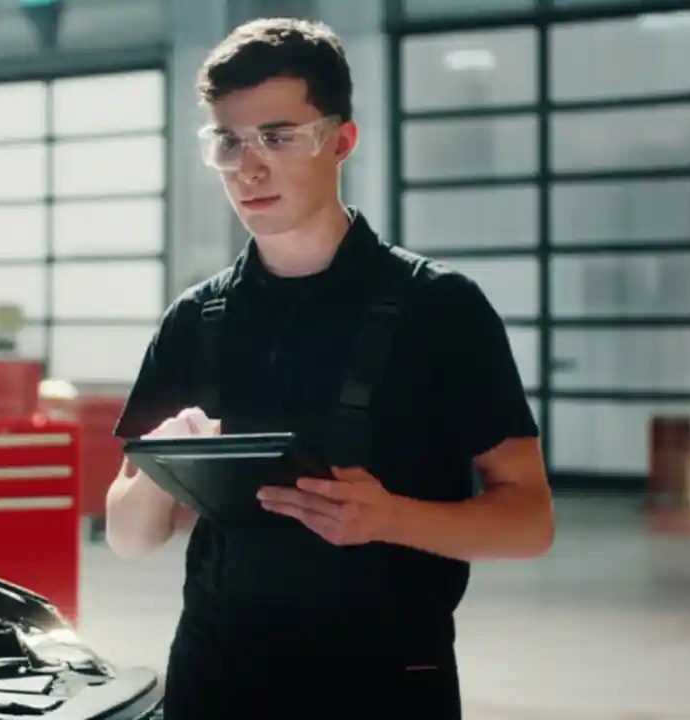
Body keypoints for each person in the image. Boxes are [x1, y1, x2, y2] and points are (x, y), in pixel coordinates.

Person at [104, 17, 554, 719]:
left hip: (386, 685)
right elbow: (129, 539)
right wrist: (161, 462)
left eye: (279, 138)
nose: (249, 168)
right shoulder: (195, 321)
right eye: (228, 142)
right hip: (216, 682)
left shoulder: (440, 311)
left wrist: (390, 517)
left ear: (341, 140)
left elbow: (530, 520)